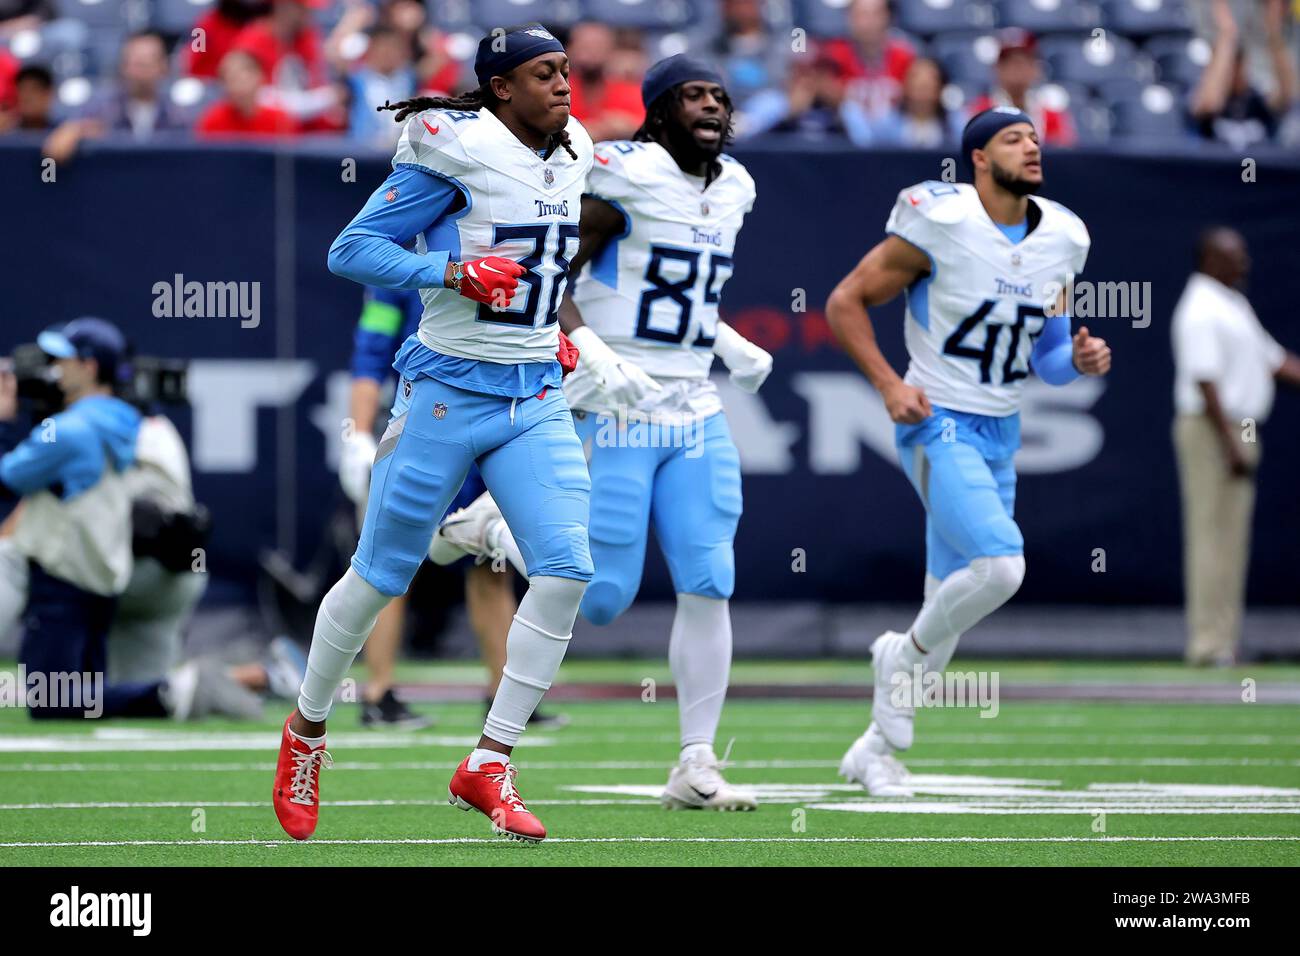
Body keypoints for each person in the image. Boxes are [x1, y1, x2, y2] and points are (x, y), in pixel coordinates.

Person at [273, 23, 593, 845]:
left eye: (566, 70)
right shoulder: (456, 147)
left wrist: (554, 327)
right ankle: (307, 730)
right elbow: (353, 249)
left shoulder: (576, 147)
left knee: (566, 569)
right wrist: (448, 271)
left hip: (533, 391)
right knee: (380, 571)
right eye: (544, 74)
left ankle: (489, 760)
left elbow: (547, 260)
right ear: (500, 89)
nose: (564, 85)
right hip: (448, 389)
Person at [431, 55, 773, 810]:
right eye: (693, 94)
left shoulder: (737, 187)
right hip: (617, 409)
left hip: (696, 410)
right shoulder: (622, 171)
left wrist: (723, 341)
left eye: (720, 94)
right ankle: (497, 530)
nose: (712, 105)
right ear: (657, 111)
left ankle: (695, 763)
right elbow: (546, 261)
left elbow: (675, 290)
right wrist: (586, 345)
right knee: (603, 597)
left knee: (710, 579)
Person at [825, 108, 1111, 795]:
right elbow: (844, 302)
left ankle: (875, 749)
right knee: (1001, 567)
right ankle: (899, 656)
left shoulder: (1064, 236)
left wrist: (1079, 359)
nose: (1032, 146)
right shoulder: (941, 221)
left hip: (1001, 427)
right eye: (1014, 138)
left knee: (949, 597)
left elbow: (1047, 355)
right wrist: (890, 384)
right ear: (978, 157)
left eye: (1036, 137)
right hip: (938, 417)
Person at [0, 319, 259, 720]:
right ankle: (200, 686)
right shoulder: (129, 422)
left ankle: (173, 693)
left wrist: (3, 420)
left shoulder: (70, 429)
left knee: (52, 700)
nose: (52, 369)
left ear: (88, 367)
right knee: (91, 696)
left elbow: (9, 475)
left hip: (68, 576)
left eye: (61, 360)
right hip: (117, 575)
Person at [339, 286, 566, 729]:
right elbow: (370, 351)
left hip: (498, 415)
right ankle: (378, 692)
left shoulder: (510, 245)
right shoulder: (407, 265)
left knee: (490, 558)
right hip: (426, 420)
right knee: (388, 560)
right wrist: (358, 432)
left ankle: (505, 693)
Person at [1171, 227, 1300, 666]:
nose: (1245, 262)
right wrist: (1230, 443)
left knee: (1231, 541)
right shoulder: (1200, 308)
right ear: (1210, 259)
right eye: (1236, 255)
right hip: (1214, 428)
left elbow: (1275, 361)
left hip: (1238, 428)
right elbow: (1204, 378)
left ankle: (1224, 642)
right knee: (1211, 538)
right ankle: (1208, 645)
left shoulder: (1233, 304)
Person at [44, 31, 193, 165]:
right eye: (135, 63)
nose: (141, 72)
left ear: (163, 67)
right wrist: (72, 131)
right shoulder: (101, 108)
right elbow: (74, 129)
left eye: (147, 64)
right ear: (123, 66)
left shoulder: (177, 117)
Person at [1191, 0, 1295, 150]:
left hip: (1256, 171)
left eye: (1239, 63)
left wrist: (1274, 34)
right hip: (1219, 170)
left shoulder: (1256, 101)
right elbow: (1209, 104)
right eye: (1232, 64)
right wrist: (1227, 34)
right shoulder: (1211, 102)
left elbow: (1286, 96)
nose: (1236, 70)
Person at [967, 29, 1076, 147]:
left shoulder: (1051, 116)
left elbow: (1064, 154)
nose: (1018, 69)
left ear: (1036, 69)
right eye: (1010, 63)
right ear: (997, 69)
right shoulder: (981, 112)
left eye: (1025, 62)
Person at [196, 50, 297, 138]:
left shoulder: (280, 122)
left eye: (243, 80)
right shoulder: (213, 121)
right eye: (231, 80)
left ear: (259, 78)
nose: (238, 88)